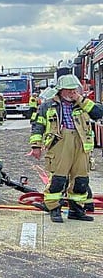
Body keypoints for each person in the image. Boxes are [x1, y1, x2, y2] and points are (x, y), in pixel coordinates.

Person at [29, 74, 103, 223]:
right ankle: (54, 209)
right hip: (59, 144)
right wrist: (36, 146)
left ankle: (76, 210)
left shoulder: (83, 103)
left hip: (81, 145)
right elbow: (38, 126)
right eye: (68, 90)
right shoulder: (48, 105)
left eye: (74, 89)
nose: (72, 92)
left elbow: (98, 113)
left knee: (81, 180)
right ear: (60, 90)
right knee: (58, 179)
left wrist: (80, 99)